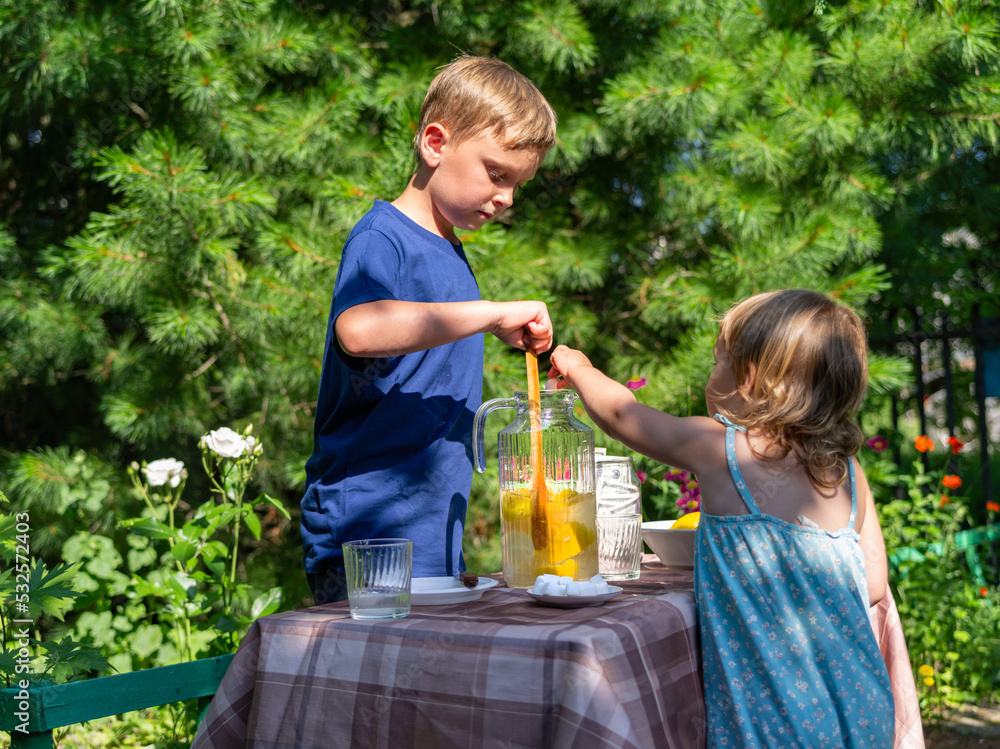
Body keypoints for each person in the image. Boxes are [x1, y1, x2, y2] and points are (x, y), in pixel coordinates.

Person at [547, 289, 895, 747]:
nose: (711, 374)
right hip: (863, 704)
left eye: (718, 362)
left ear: (748, 379)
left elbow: (620, 415)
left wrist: (580, 368)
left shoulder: (723, 448)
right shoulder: (848, 470)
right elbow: (872, 583)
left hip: (778, 721)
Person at [302, 55, 557, 604]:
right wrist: (491, 314)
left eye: (518, 184)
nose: (507, 197)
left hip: (431, 529)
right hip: (369, 532)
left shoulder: (450, 253)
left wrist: (498, 330)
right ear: (435, 144)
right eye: (496, 173)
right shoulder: (382, 238)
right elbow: (360, 330)